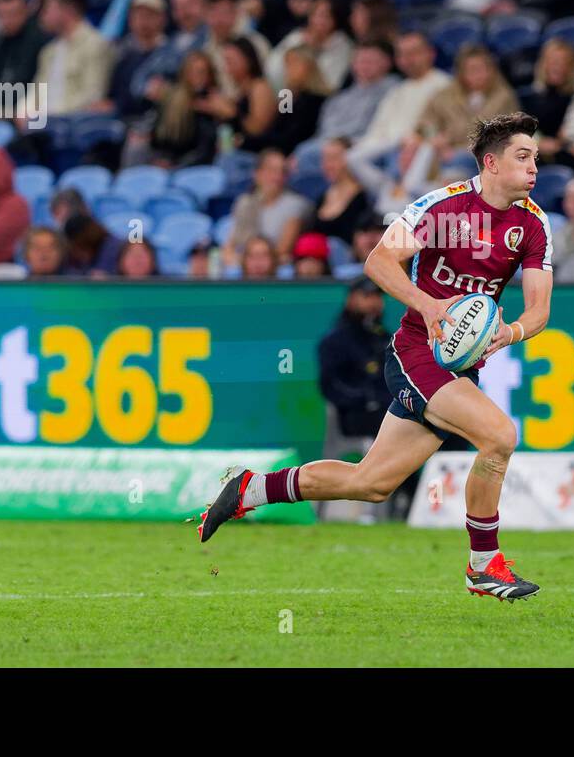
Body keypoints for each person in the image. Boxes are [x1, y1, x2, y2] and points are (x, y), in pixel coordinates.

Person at [196, 112, 553, 604]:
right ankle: (482, 565)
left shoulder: (533, 224)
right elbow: (378, 260)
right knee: (500, 435)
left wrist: (509, 332)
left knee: (371, 482)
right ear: (490, 163)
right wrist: (427, 305)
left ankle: (252, 489)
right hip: (416, 351)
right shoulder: (445, 209)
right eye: (523, 156)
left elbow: (539, 311)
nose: (535, 166)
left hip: (459, 364)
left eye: (535, 157)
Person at [348, 32, 451, 167]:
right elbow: (378, 128)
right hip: (384, 146)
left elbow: (439, 127)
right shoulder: (397, 90)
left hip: (415, 148)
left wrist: (417, 139)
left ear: (430, 53)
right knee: (347, 157)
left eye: (413, 53)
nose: (408, 59)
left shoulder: (443, 85)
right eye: (402, 54)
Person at [414, 45, 519, 161]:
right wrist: (435, 138)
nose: (478, 74)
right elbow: (426, 125)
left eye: (482, 68)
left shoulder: (504, 97)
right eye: (472, 69)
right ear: (461, 73)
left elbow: (511, 133)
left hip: (484, 157)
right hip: (443, 153)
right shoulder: (444, 96)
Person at [317, 276, 393, 436]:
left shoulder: (384, 337)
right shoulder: (335, 340)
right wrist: (368, 400)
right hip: (355, 416)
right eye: (367, 296)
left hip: (388, 411)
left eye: (377, 297)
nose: (373, 302)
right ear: (351, 299)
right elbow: (330, 385)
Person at [123, 49, 221, 169]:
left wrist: (174, 165)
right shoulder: (172, 97)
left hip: (188, 160)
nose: (196, 77)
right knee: (136, 146)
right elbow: (158, 135)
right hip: (164, 155)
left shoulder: (213, 102)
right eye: (191, 72)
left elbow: (205, 147)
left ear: (209, 75)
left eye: (201, 72)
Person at [221, 148, 311, 268]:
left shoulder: (297, 205)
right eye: (272, 170)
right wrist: (236, 259)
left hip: (275, 271)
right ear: (257, 174)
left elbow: (282, 252)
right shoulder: (245, 202)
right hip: (245, 267)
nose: (277, 177)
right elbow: (230, 245)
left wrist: (251, 262)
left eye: (283, 171)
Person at [34, 0, 114, 116]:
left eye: (47, 9)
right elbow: (36, 92)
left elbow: (93, 96)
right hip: (41, 120)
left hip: (70, 121)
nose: (43, 16)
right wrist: (24, 112)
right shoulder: (48, 51)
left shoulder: (95, 44)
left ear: (68, 9)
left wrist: (51, 113)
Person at [313, 40, 400, 144]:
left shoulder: (395, 90)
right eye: (360, 61)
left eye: (370, 61)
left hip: (364, 145)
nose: (364, 66)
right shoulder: (340, 97)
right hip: (327, 144)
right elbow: (323, 129)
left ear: (387, 63)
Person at [262, 0, 353, 94]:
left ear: (336, 18)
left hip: (319, 98)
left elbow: (332, 84)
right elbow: (272, 67)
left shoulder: (342, 44)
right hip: (286, 91)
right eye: (315, 15)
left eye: (325, 16)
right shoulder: (297, 37)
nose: (319, 21)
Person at [309, 137, 371, 244]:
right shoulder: (322, 196)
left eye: (333, 158)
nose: (327, 165)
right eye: (324, 159)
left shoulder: (363, 198)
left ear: (350, 159)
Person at [519, 38, 574, 138]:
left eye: (565, 62)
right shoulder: (525, 97)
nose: (559, 66)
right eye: (554, 61)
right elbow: (519, 129)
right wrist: (540, 142)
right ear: (543, 63)